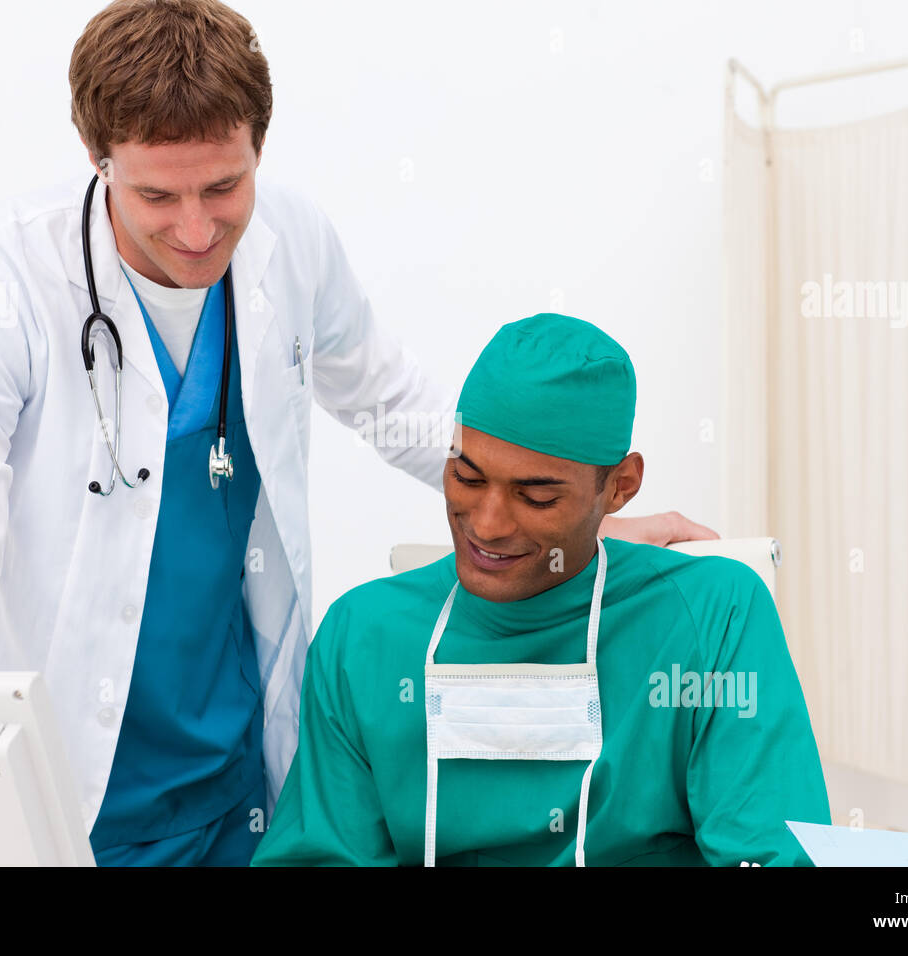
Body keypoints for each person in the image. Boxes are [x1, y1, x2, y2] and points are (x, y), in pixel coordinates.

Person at [0, 0, 713, 867]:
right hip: (74, 792)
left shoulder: (290, 244)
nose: (198, 230)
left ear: (258, 149)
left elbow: (392, 404)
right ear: (97, 162)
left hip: (239, 787)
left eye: (223, 187)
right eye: (156, 196)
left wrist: (569, 524)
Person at [252, 314, 830, 866]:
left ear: (620, 488)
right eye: (467, 476)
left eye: (537, 497)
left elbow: (772, 853)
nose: (487, 524)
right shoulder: (364, 637)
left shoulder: (713, 616)